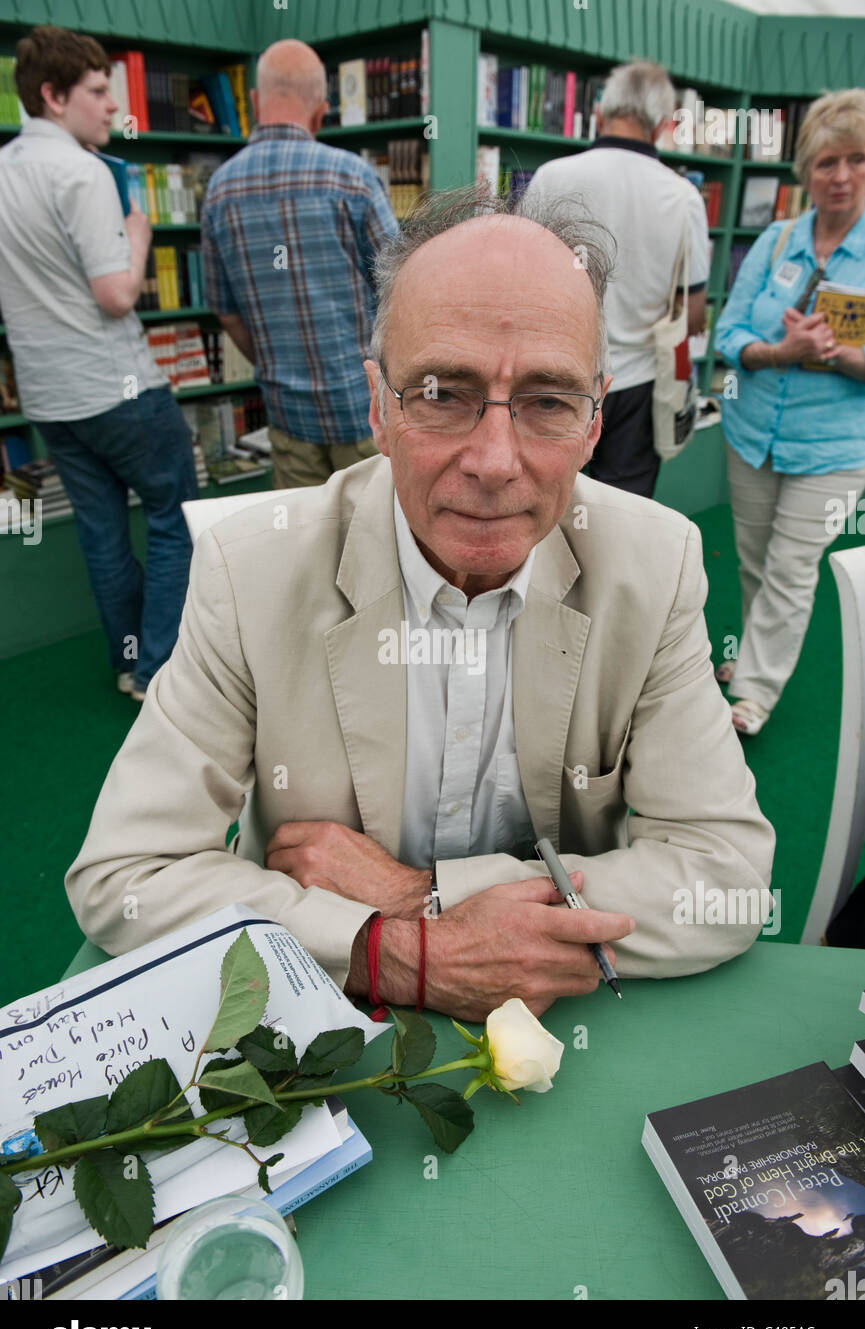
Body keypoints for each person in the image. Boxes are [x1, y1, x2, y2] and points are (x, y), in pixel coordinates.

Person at [65, 189, 774, 1022]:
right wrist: (385, 953)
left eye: (547, 401)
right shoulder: (249, 569)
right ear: (377, 406)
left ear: (592, 422)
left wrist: (419, 897)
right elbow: (128, 878)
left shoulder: (654, 565)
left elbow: (722, 878)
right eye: (442, 392)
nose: (494, 461)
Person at [0, 26, 198, 701]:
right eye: (97, 92)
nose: (114, 106)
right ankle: (160, 671)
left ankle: (129, 661)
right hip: (116, 388)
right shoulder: (82, 173)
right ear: (54, 96)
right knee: (176, 513)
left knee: (102, 531)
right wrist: (137, 236)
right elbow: (115, 294)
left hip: (48, 395)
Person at [714, 89, 865, 736]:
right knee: (752, 558)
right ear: (804, 170)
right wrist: (781, 351)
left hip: (832, 450)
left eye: (857, 160)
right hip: (750, 435)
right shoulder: (776, 241)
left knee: (789, 568)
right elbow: (725, 336)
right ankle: (755, 654)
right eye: (826, 162)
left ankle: (752, 691)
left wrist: (836, 356)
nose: (841, 176)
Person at [200, 39, 399, 490]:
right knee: (380, 545)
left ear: (253, 102)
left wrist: (272, 358)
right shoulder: (350, 176)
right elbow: (404, 283)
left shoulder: (220, 190)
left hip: (288, 417)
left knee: (304, 550)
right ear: (321, 111)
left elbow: (225, 311)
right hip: (366, 416)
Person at [521, 60, 709, 498]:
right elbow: (694, 314)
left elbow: (521, 278)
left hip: (558, 373)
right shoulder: (683, 197)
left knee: (546, 495)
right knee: (625, 508)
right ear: (663, 125)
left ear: (602, 112)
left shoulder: (553, 176)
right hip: (640, 382)